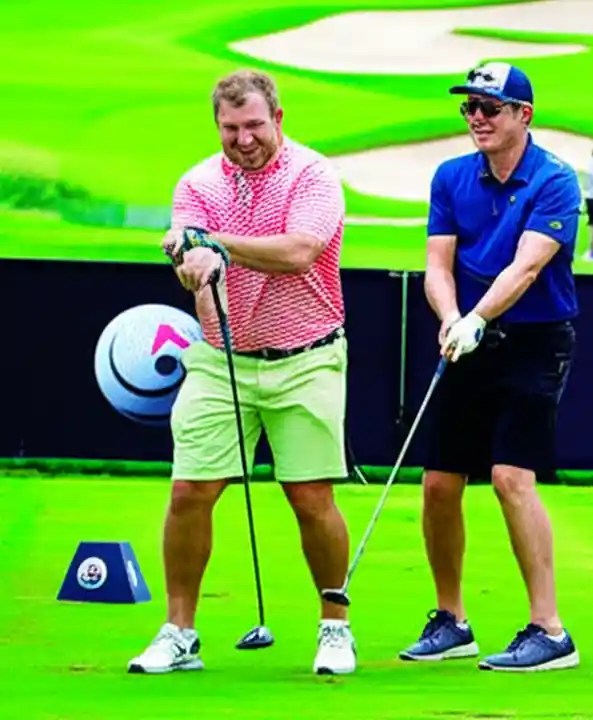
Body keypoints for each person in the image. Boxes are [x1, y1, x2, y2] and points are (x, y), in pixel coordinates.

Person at [130, 69, 357, 675]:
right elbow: (189, 251)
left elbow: (301, 250)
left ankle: (335, 625)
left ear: (277, 119)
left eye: (254, 124)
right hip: (220, 359)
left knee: (310, 497)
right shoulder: (198, 184)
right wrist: (192, 258)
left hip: (306, 355)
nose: (244, 138)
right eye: (231, 128)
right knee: (190, 491)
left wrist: (217, 244)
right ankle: (179, 632)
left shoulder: (313, 176)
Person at [402, 61, 582, 672]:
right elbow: (437, 265)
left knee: (510, 477)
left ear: (522, 115)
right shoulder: (451, 177)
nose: (476, 117)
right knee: (439, 483)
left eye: (489, 107)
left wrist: (475, 318)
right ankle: (451, 619)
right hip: (468, 335)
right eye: (469, 108)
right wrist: (452, 316)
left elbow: (527, 268)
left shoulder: (554, 179)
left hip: (535, 341)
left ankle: (550, 630)